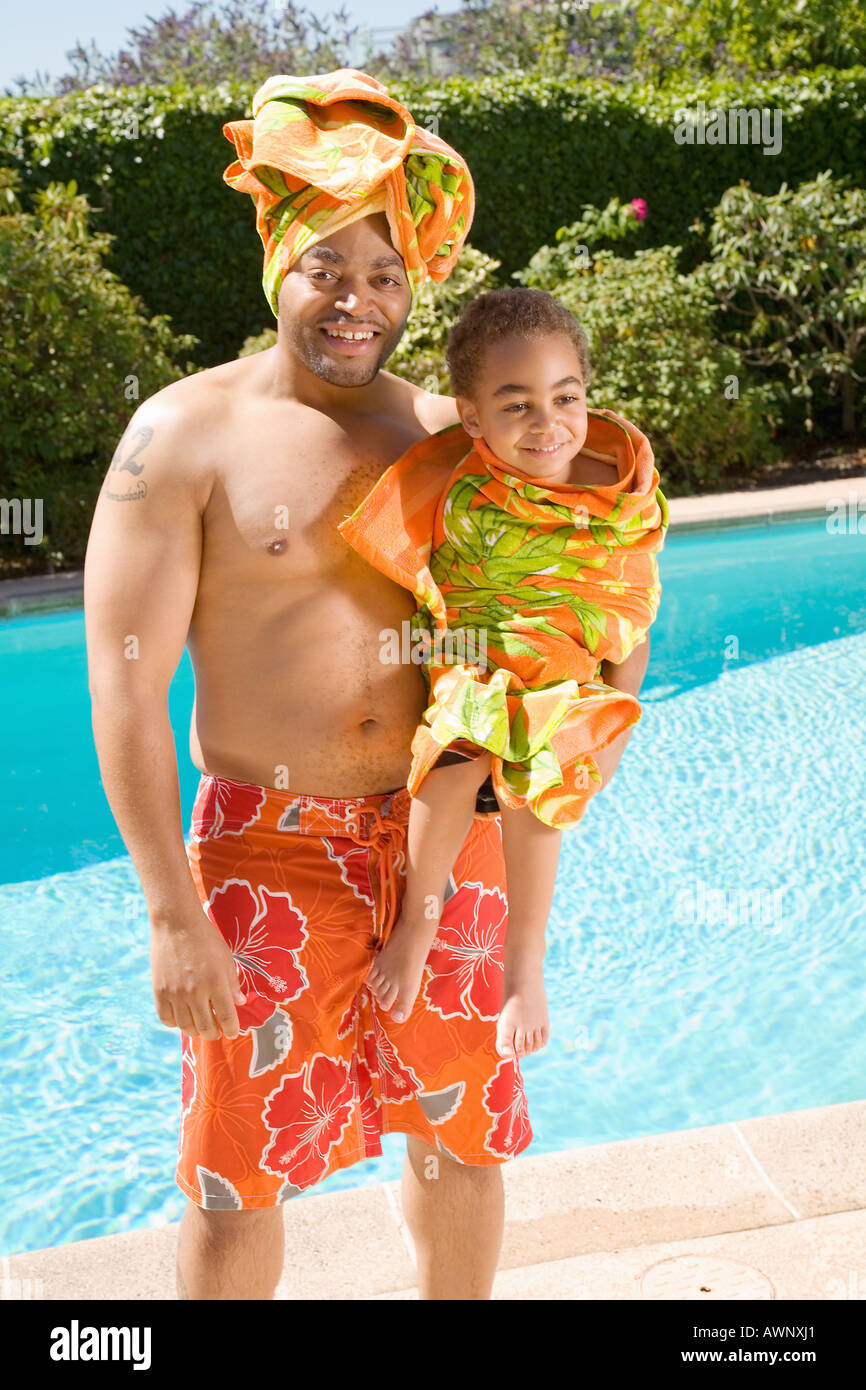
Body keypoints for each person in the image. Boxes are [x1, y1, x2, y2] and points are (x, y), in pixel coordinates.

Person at [84, 69, 528, 1302]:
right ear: (275, 262)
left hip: (439, 838)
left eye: (383, 272)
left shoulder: (449, 436)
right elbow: (125, 688)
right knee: (238, 1174)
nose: (356, 300)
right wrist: (173, 913)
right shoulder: (183, 437)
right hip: (263, 851)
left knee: (461, 1141)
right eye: (327, 266)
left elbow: (516, 643)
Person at [340, 288, 669, 1061]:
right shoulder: (462, 488)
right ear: (473, 416)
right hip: (476, 662)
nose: (547, 423)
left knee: (541, 767)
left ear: (588, 394)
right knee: (456, 748)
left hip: (562, 681)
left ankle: (525, 964)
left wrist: (617, 720)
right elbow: (441, 601)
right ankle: (421, 916)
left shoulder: (615, 498)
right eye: (514, 405)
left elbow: (630, 614)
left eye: (565, 397)